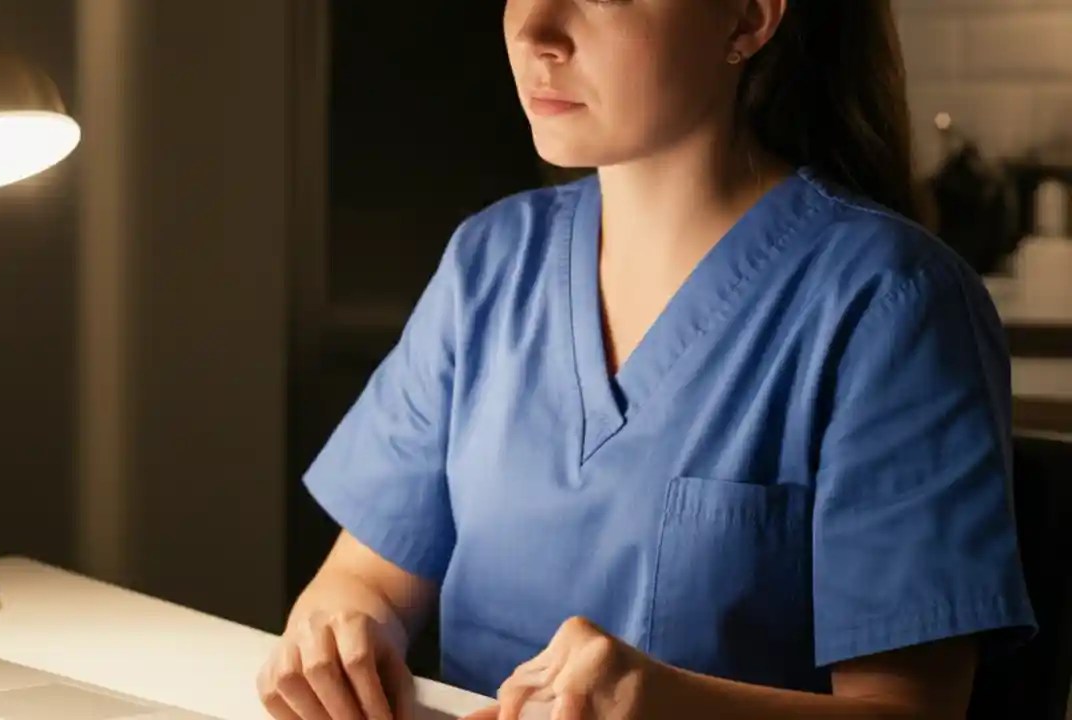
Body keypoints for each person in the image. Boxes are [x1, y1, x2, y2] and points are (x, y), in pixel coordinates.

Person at [257, 1, 1038, 718]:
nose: (536, 30)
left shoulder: (890, 305)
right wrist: (339, 634)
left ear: (748, 18)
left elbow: (910, 712)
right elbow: (364, 583)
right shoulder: (490, 264)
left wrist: (664, 705)